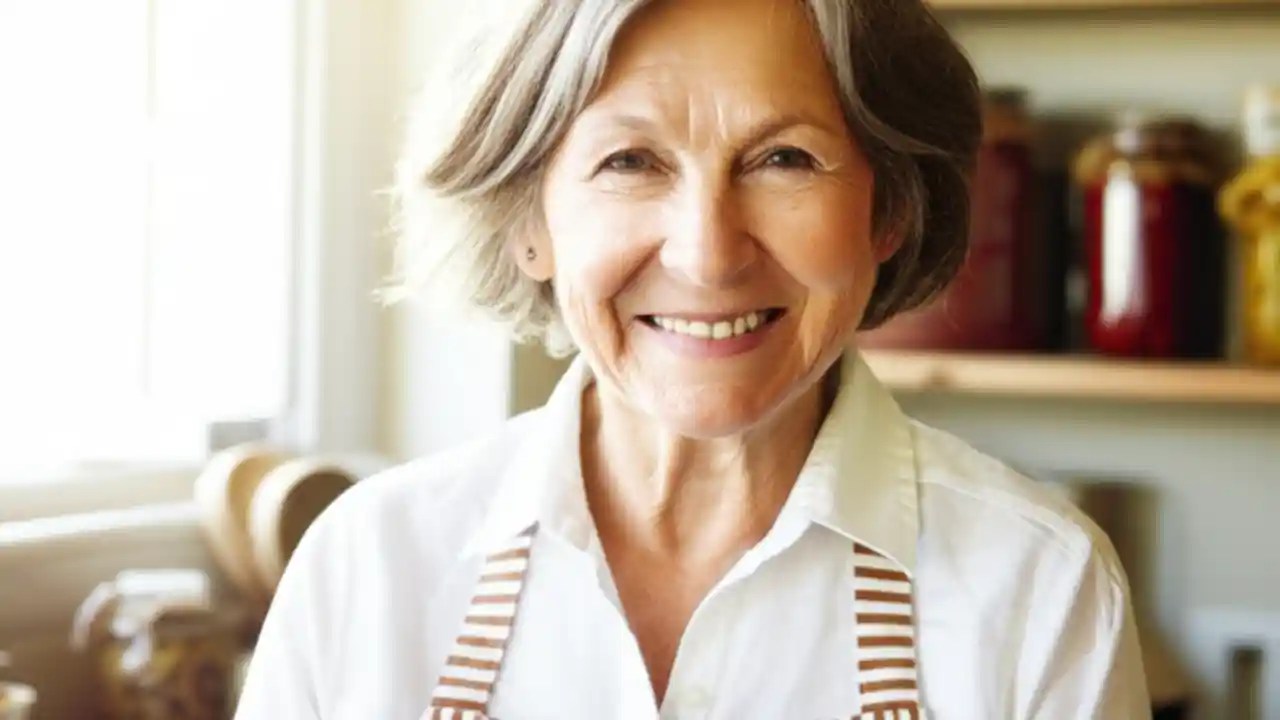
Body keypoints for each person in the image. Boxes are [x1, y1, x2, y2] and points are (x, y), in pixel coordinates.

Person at [236, 0, 1151, 718]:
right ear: (528, 222)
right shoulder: (370, 565)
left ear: (891, 211)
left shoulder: (1038, 584)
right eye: (631, 162)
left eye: (785, 159)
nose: (707, 253)